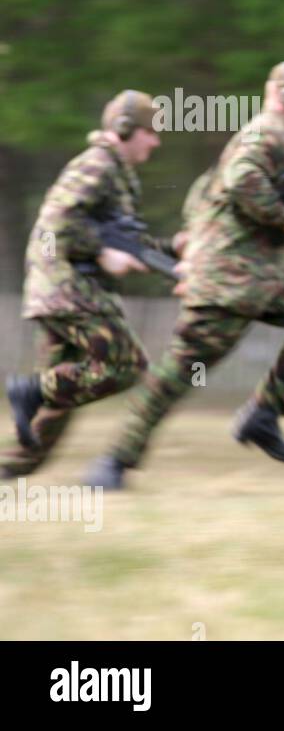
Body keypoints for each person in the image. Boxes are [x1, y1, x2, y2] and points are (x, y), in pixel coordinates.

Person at [84, 62, 284, 489]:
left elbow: (206, 190)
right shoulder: (267, 133)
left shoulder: (281, 140)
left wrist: (196, 236)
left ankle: (261, 415)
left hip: (271, 276)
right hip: (232, 280)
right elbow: (242, 181)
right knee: (182, 370)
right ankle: (113, 461)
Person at [3, 91, 174, 478]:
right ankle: (32, 390)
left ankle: (10, 469)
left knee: (66, 394)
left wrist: (174, 251)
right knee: (124, 365)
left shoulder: (115, 171)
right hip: (68, 288)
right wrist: (101, 252)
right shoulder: (97, 165)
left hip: (62, 289)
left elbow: (124, 238)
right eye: (151, 131)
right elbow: (60, 221)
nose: (156, 141)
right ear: (126, 129)